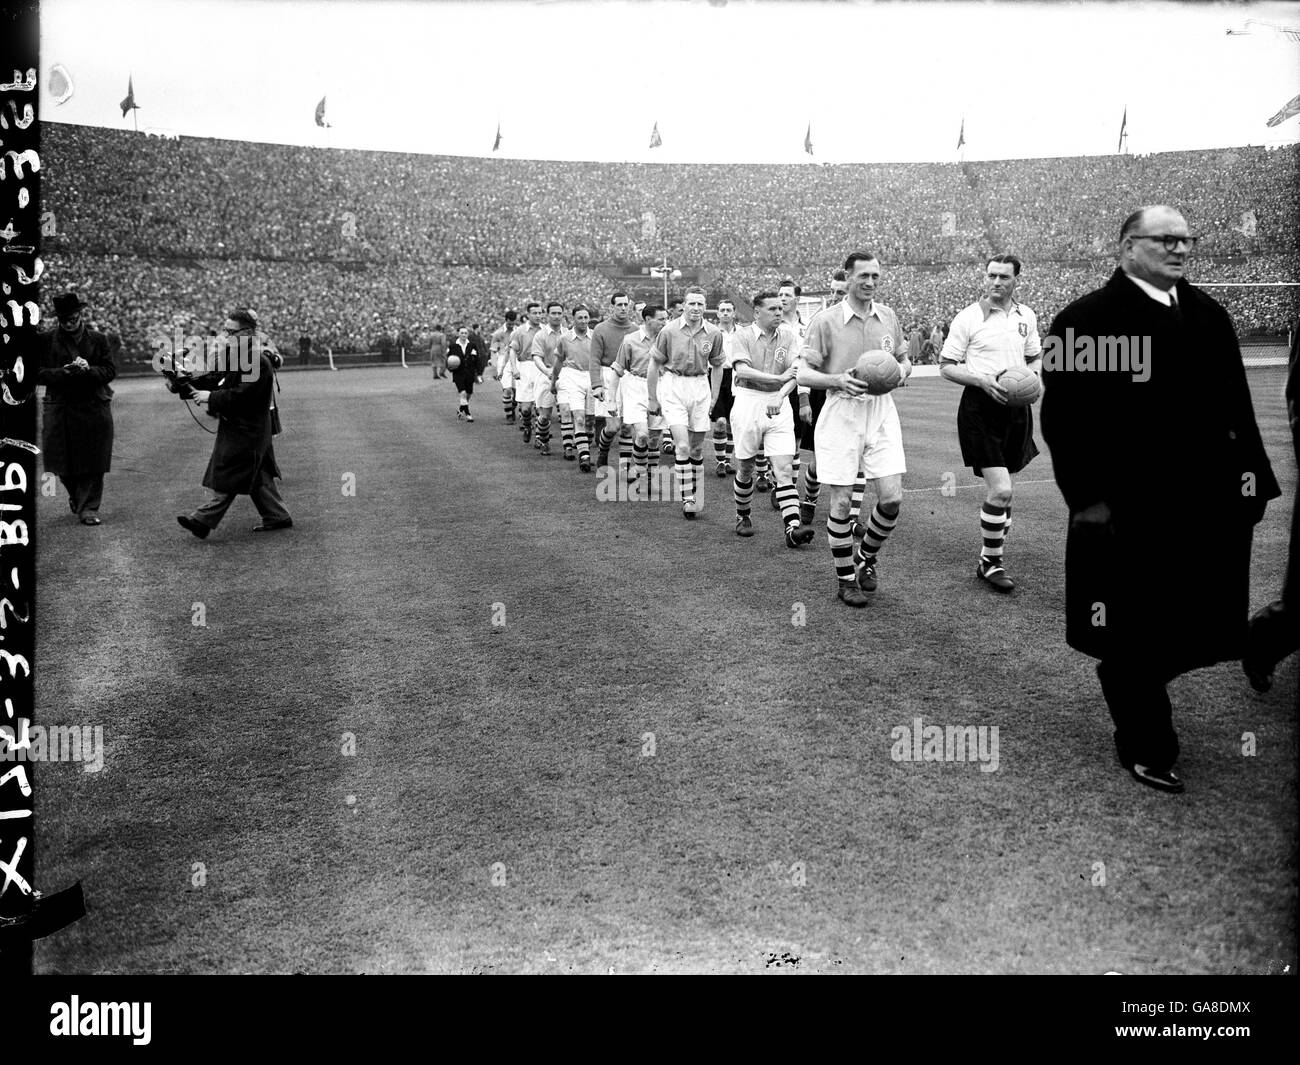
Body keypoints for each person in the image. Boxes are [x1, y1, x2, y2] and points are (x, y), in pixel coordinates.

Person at [1040, 206, 1280, 794]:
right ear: (1127, 248)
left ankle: (1131, 670)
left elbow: (1237, 411)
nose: (1179, 249)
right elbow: (1064, 422)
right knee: (1132, 628)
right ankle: (1146, 742)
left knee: (1206, 628)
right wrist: (1089, 502)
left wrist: (1253, 483)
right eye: (1164, 240)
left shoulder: (1207, 314)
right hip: (1128, 510)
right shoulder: (1083, 321)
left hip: (1209, 505)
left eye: (1186, 240)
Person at [798, 251, 911, 607]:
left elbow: (905, 359)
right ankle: (846, 580)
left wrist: (901, 373)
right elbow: (802, 373)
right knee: (843, 501)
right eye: (863, 276)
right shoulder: (825, 321)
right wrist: (837, 380)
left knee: (892, 497)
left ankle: (866, 558)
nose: (870, 282)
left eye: (876, 276)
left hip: (881, 410)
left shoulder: (888, 317)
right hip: (841, 409)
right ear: (848, 277)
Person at [939, 255, 1043, 592]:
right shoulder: (969, 317)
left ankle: (991, 556)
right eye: (991, 276)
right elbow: (946, 365)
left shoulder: (1026, 315)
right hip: (980, 409)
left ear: (1016, 280)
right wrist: (982, 380)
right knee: (1001, 490)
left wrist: (1035, 379)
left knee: (1005, 492)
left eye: (1003, 277)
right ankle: (990, 562)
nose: (996, 282)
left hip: (1015, 409)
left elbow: (1034, 355)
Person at [177, 307, 293, 538]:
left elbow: (242, 395)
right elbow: (215, 380)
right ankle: (278, 516)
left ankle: (202, 520)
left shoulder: (256, 361)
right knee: (257, 474)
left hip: (248, 430)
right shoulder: (237, 356)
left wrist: (210, 397)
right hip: (242, 428)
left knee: (230, 474)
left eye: (232, 332)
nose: (226, 336)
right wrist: (185, 380)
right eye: (226, 331)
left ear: (248, 333)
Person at [729, 292, 813, 547]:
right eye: (772, 309)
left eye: (780, 308)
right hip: (748, 402)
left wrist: (780, 394)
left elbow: (795, 372)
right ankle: (743, 515)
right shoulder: (742, 335)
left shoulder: (788, 335)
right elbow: (742, 371)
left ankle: (792, 527)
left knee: (784, 470)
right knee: (746, 468)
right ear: (757, 313)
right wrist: (778, 381)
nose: (779, 312)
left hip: (779, 403)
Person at [35, 292, 116, 525]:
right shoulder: (45, 340)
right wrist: (62, 373)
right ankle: (78, 497)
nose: (68, 323)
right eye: (63, 320)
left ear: (81, 314)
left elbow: (110, 371)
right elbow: (35, 373)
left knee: (94, 459)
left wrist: (89, 370)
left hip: (93, 406)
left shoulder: (99, 339)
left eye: (72, 318)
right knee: (60, 460)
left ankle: (89, 508)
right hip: (60, 407)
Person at [647, 287, 726, 518]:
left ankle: (695, 490)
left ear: (705, 306)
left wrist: (714, 396)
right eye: (692, 304)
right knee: (682, 446)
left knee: (697, 448)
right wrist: (652, 397)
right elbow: (654, 364)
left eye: (700, 304)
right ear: (684, 304)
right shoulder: (669, 331)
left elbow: (718, 365)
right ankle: (688, 497)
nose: (696, 308)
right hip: (674, 384)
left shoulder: (713, 333)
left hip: (700, 385)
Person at [612, 304, 669, 490]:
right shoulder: (630, 340)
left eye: (666, 318)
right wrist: (611, 399)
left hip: (660, 387)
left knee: (653, 439)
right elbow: (618, 369)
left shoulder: (667, 338)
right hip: (635, 386)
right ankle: (640, 472)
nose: (665, 322)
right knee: (642, 434)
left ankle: (648, 478)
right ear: (647, 319)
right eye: (661, 319)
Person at [589, 292, 639, 469]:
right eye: (619, 305)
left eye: (626, 304)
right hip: (608, 376)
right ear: (611, 307)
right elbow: (594, 359)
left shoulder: (635, 329)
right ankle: (603, 450)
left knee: (627, 426)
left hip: (629, 377)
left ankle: (625, 466)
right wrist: (597, 385)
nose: (623, 308)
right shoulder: (601, 329)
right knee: (612, 427)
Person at [550, 305, 596, 471]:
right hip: (572, 376)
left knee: (590, 421)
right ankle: (584, 457)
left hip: (592, 376)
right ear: (573, 319)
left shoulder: (596, 336)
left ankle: (585, 447)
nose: (583, 321)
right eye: (580, 318)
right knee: (579, 417)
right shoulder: (565, 338)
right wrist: (553, 381)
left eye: (586, 317)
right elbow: (558, 361)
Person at [529, 302, 569, 458]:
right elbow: (536, 357)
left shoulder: (568, 334)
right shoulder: (540, 335)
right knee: (545, 415)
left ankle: (568, 447)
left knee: (566, 411)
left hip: (565, 375)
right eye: (554, 313)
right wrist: (547, 371)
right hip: (546, 375)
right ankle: (543, 439)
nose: (557, 316)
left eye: (559, 313)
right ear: (547, 315)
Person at [708, 298, 740, 478]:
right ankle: (720, 462)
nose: (726, 313)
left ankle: (727, 461)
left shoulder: (742, 332)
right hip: (715, 375)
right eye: (723, 310)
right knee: (720, 421)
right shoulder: (711, 332)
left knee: (732, 422)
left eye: (729, 310)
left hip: (736, 377)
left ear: (734, 313)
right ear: (718, 313)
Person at [508, 302, 544, 444]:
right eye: (534, 313)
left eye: (540, 313)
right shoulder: (519, 331)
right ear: (528, 314)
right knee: (526, 408)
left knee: (541, 405)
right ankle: (527, 425)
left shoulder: (545, 330)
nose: (538, 316)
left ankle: (539, 437)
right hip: (525, 367)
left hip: (541, 367)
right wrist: (515, 369)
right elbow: (512, 350)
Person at [491, 310, 518, 422]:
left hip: (516, 360)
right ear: (505, 320)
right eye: (509, 323)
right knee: (507, 389)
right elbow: (493, 351)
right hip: (503, 361)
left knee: (517, 391)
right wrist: (494, 367)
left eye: (513, 323)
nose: (511, 325)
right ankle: (509, 415)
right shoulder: (498, 333)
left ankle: (513, 404)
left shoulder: (518, 332)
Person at [450, 325, 476, 421]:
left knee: (468, 394)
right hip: (458, 374)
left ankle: (461, 409)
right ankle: (468, 414)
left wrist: (479, 374)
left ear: (468, 334)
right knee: (463, 393)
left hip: (470, 373)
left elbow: (477, 359)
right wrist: (451, 367)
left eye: (465, 333)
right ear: (458, 334)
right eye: (462, 333)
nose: (464, 335)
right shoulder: (453, 346)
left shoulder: (472, 345)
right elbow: (449, 360)